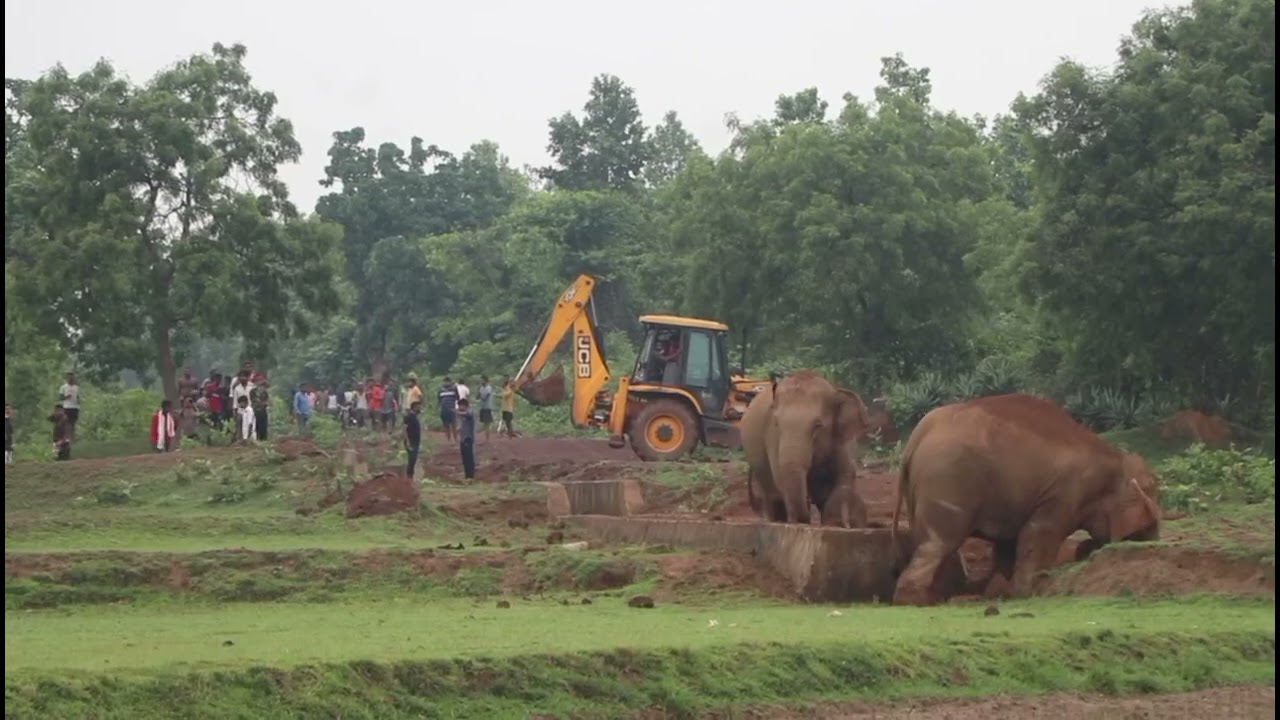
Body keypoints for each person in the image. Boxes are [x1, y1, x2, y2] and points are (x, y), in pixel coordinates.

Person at [456, 397, 476, 481]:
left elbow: (468, 414)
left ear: (466, 406)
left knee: (469, 458)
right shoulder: (462, 415)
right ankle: (467, 475)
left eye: (461, 405)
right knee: (464, 458)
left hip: (468, 438)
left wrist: (457, 412)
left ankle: (470, 476)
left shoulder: (469, 412)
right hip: (463, 439)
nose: (460, 407)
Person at [403, 400, 422, 479]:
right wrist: (407, 442)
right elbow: (404, 429)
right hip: (411, 441)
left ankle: (410, 477)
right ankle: (409, 477)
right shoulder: (409, 417)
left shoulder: (414, 417)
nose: (420, 409)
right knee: (412, 460)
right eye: (418, 407)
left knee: (413, 460)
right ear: (414, 408)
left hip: (415, 441)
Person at [59, 371, 81, 440]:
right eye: (69, 377)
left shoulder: (76, 387)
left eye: (72, 377)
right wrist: (66, 397)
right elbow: (60, 397)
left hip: (75, 407)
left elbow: (78, 396)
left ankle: (73, 437)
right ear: (67, 378)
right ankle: (67, 437)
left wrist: (78, 400)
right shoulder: (63, 387)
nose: (71, 379)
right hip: (67, 407)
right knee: (67, 423)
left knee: (73, 423)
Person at [250, 373, 270, 441]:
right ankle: (257, 438)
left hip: (263, 410)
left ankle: (264, 439)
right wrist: (261, 403)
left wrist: (265, 403)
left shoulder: (264, 392)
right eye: (257, 381)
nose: (259, 382)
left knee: (264, 425)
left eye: (260, 381)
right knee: (257, 425)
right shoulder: (252, 391)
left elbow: (267, 400)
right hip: (256, 410)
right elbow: (253, 401)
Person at [438, 377, 458, 442]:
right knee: (446, 425)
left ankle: (455, 439)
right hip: (444, 410)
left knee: (453, 425)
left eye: (447, 381)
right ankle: (448, 440)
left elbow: (457, 398)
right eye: (445, 382)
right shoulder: (440, 390)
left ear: (450, 382)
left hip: (452, 409)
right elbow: (439, 400)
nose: (446, 383)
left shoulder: (454, 389)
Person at [477, 376, 495, 442]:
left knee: (487, 423)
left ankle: (487, 439)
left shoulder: (488, 388)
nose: (481, 382)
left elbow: (483, 397)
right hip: (483, 407)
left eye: (482, 380)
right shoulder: (481, 388)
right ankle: (486, 438)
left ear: (486, 381)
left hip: (487, 407)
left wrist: (480, 393)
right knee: (484, 423)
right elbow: (478, 397)